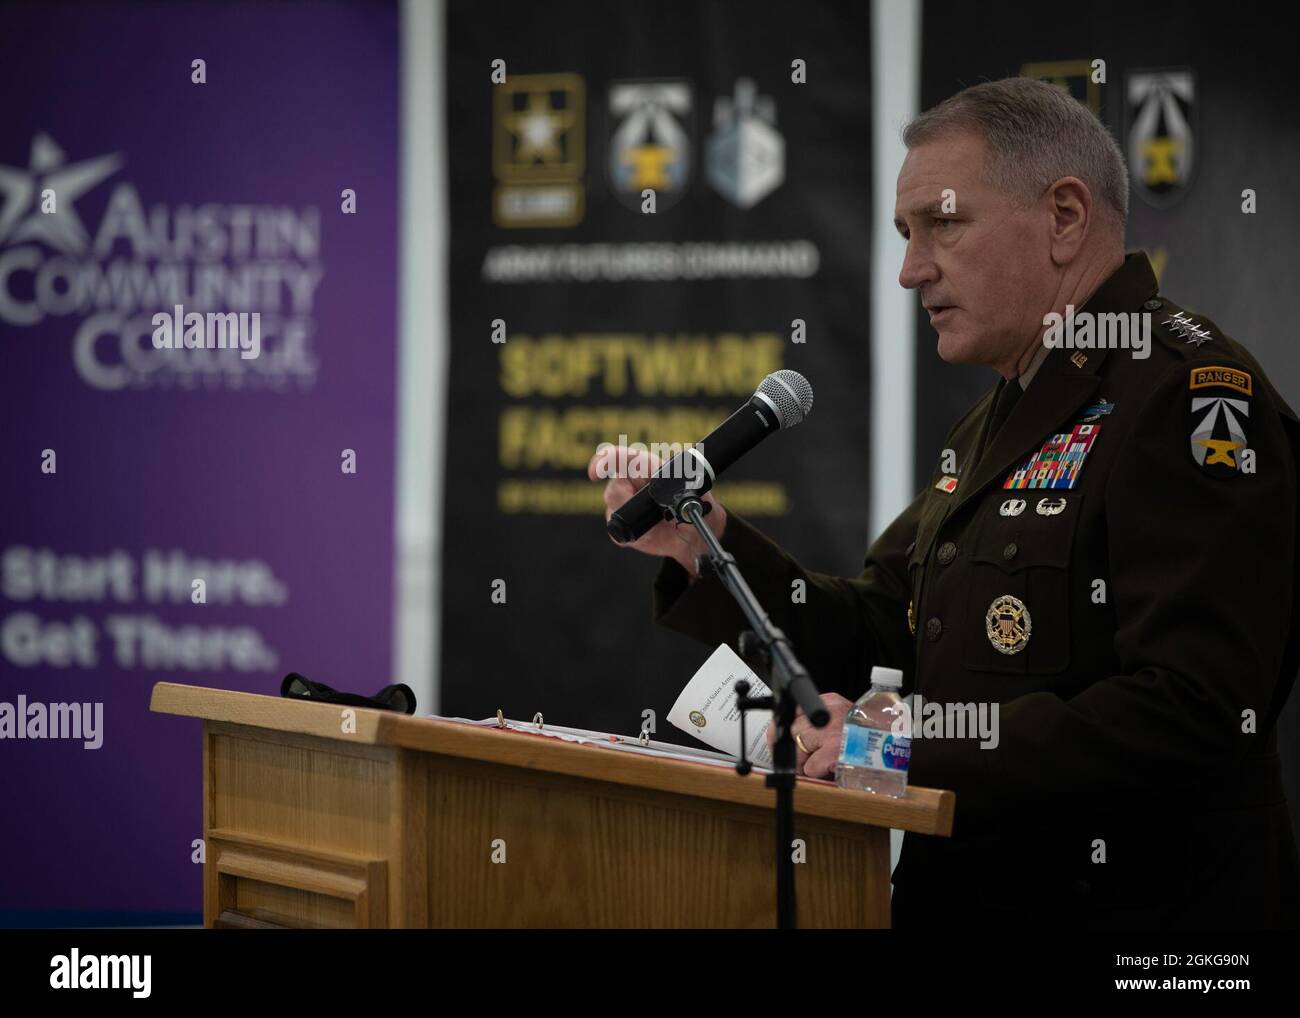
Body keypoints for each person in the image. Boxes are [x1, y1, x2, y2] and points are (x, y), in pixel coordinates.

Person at [588, 77, 1300, 929]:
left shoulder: (1187, 397)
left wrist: (895, 746)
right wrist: (706, 544)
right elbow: (883, 631)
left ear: (1065, 219)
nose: (909, 268)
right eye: (903, 233)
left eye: (944, 223)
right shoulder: (1000, 412)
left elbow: (1190, 711)